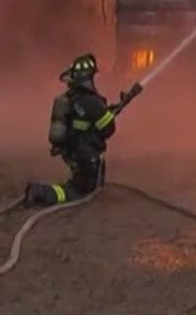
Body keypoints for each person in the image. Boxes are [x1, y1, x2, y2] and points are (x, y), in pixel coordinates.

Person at [25, 53, 140, 205]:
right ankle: (42, 192)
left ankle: (57, 189)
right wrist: (108, 115)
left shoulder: (73, 97)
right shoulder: (92, 102)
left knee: (88, 184)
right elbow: (107, 129)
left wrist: (113, 109)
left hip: (73, 151)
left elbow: (91, 119)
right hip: (85, 155)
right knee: (81, 191)